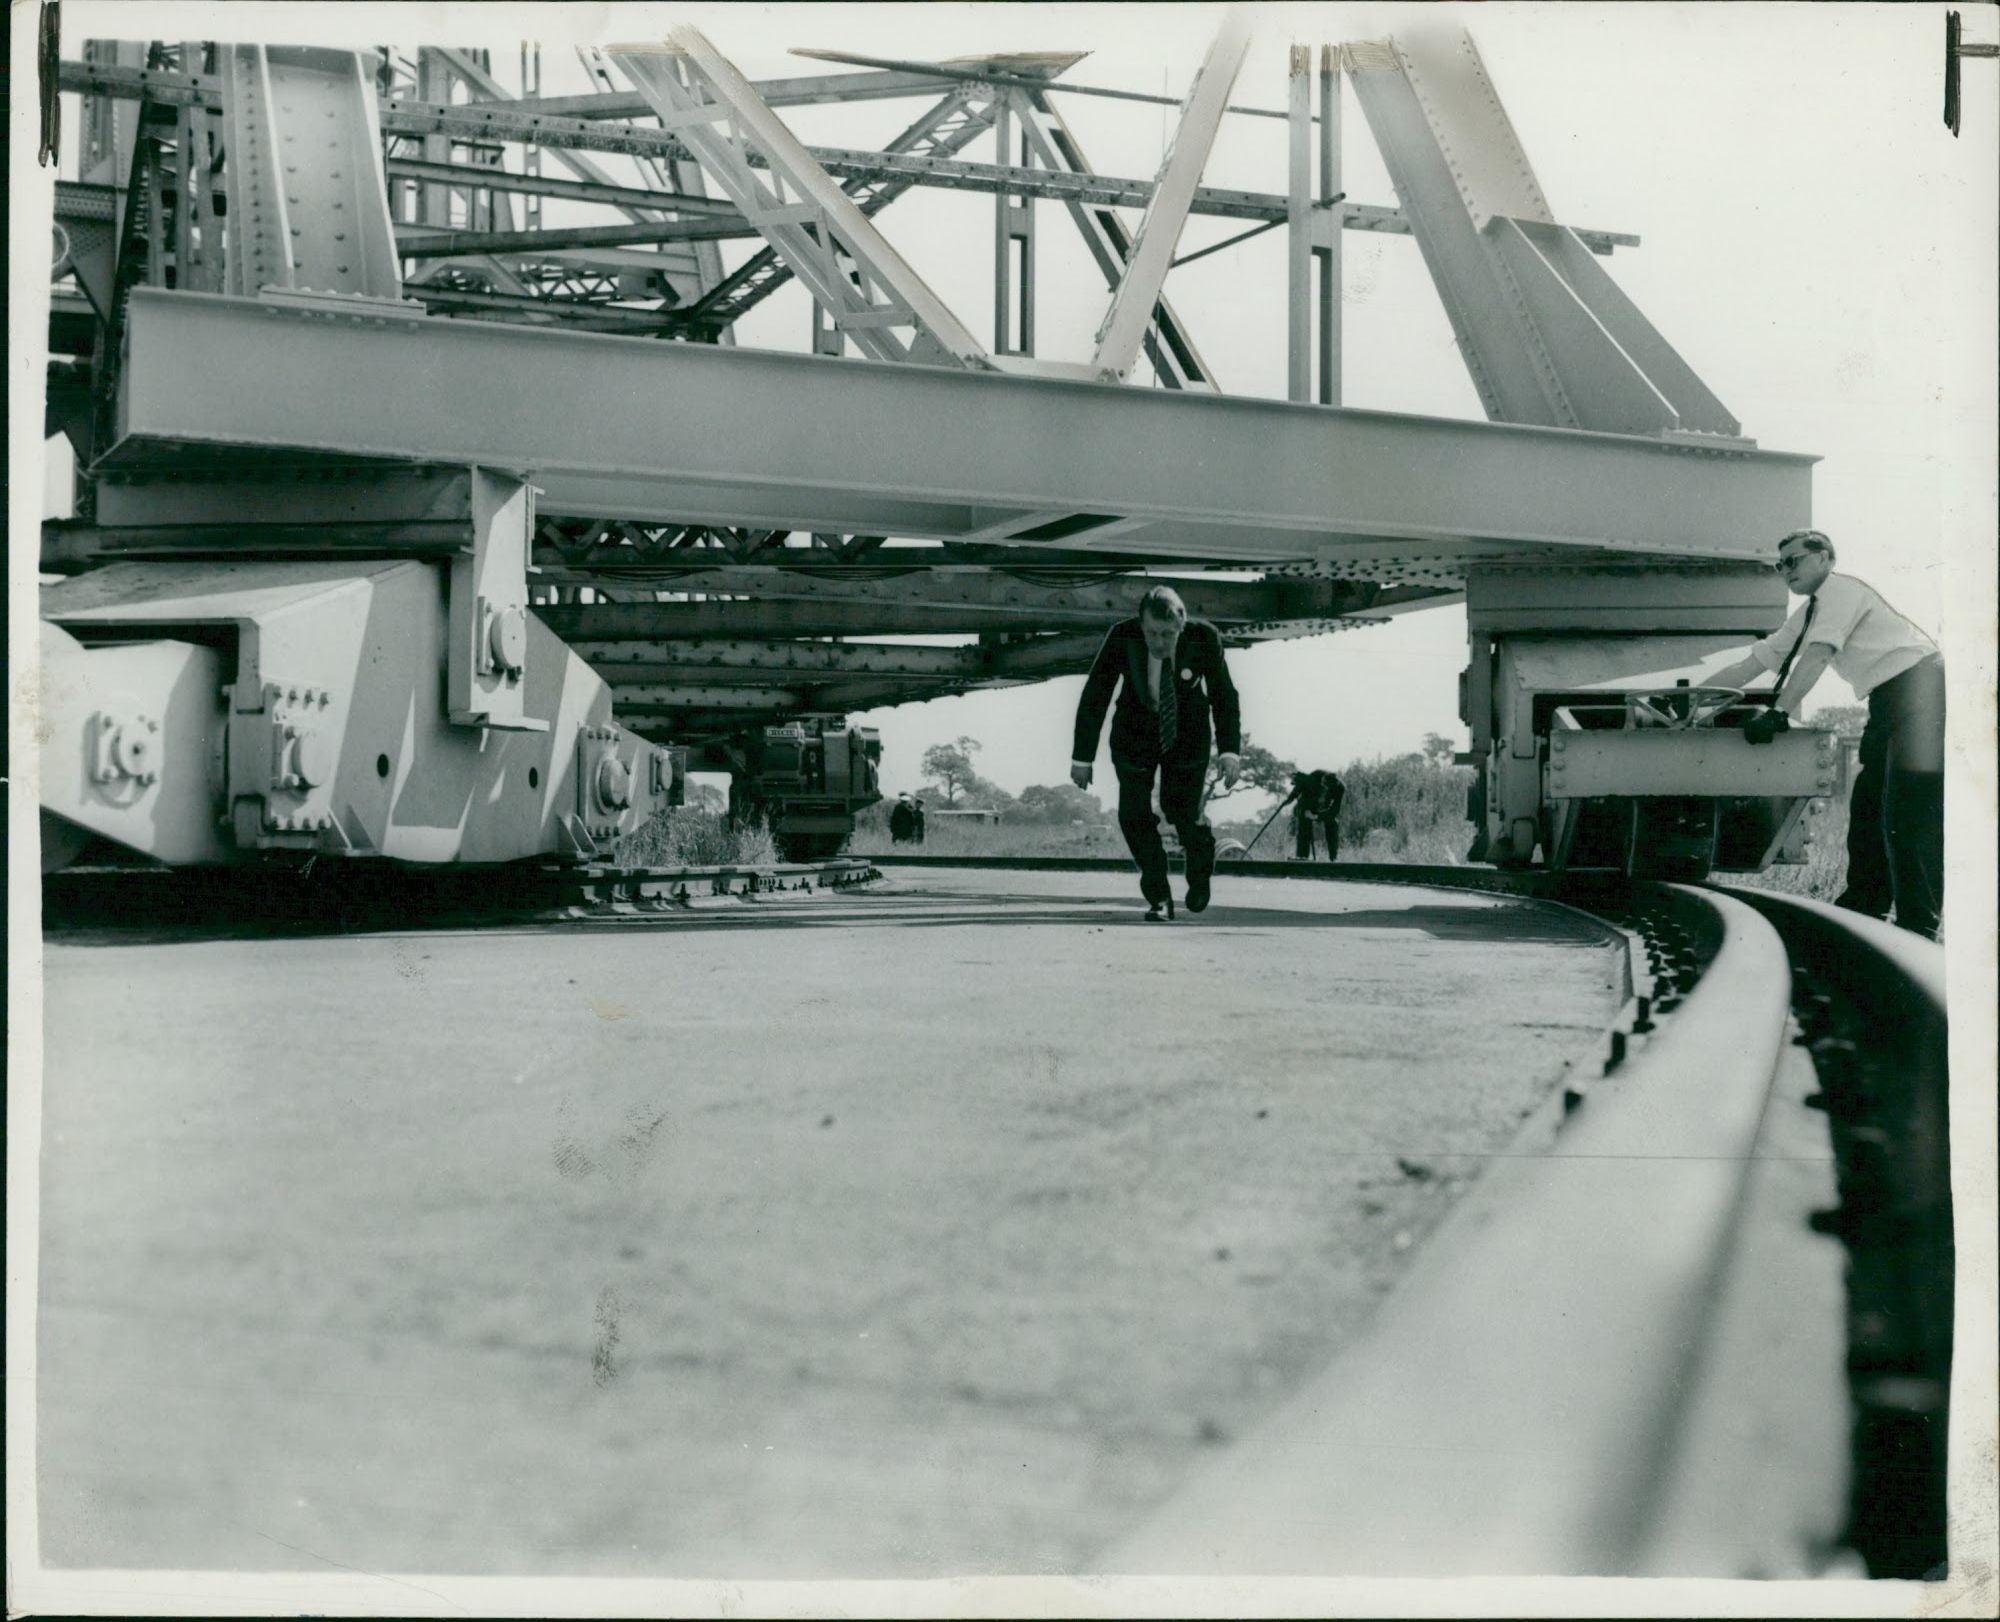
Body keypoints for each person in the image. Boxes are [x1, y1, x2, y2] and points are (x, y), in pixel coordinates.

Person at [1708, 528, 1945, 939]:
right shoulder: (1810, 611)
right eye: (1780, 565)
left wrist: (1779, 713)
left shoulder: (1840, 591)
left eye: (1794, 561)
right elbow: (1756, 662)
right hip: (1887, 701)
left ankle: (1918, 929)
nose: (1786, 571)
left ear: (1825, 558)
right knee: (1868, 809)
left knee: (1907, 815)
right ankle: (1865, 913)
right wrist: (1694, 699)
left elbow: (1819, 653)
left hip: (1921, 689)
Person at [1071, 585, 1242, 919]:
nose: (1159, 643)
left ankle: (1199, 871)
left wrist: (1229, 752)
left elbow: (1224, 695)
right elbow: (1096, 693)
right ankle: (1159, 895)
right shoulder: (1122, 636)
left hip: (1187, 735)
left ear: (1182, 626)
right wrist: (1082, 757)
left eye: (1167, 634)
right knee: (1133, 815)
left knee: (1180, 811)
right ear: (1141, 625)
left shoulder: (1204, 637)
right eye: (1151, 633)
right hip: (1134, 734)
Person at [1290, 769, 1345, 861]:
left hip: (1323, 808)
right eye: (1322, 784)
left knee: (1332, 823)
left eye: (1326, 787)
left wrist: (1316, 816)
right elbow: (1299, 786)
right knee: (1304, 823)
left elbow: (1334, 812)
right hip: (1309, 803)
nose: (1324, 787)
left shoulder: (1339, 788)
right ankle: (1302, 856)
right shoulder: (1314, 777)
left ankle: (1333, 858)